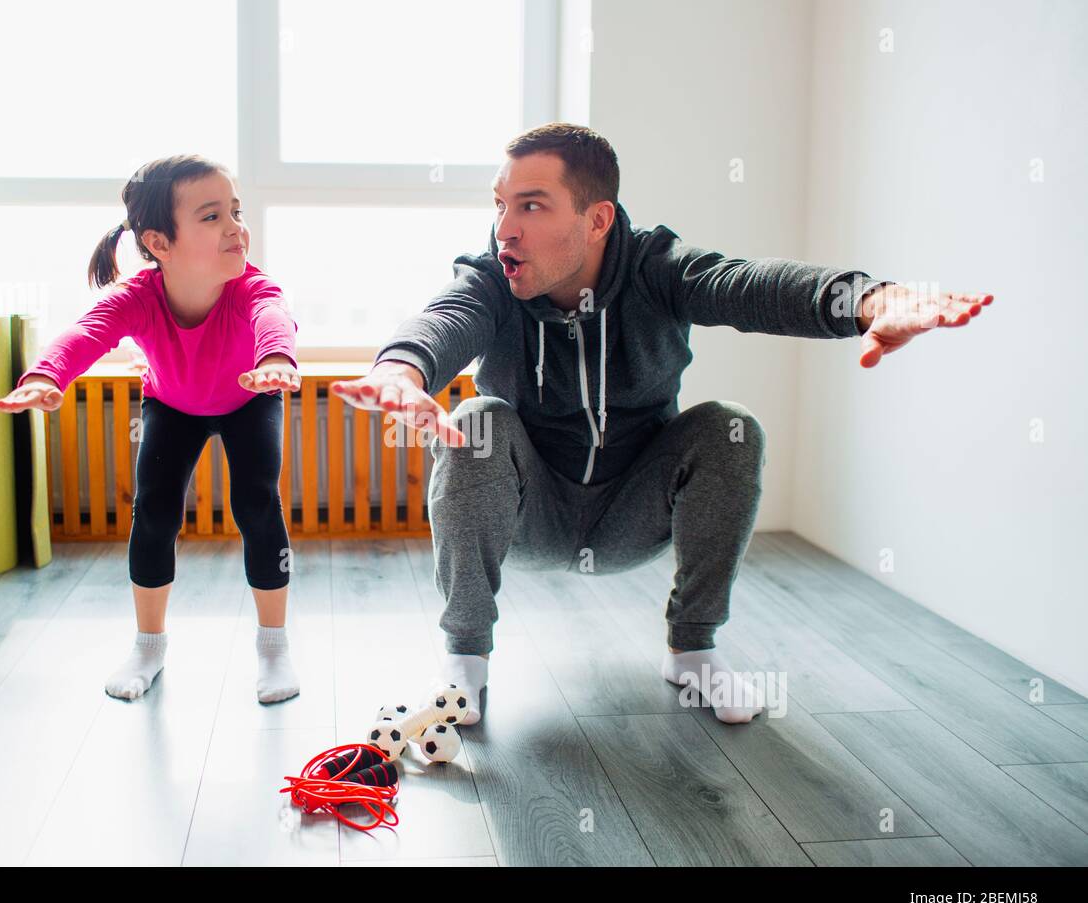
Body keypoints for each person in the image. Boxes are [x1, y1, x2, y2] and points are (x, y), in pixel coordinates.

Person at [332, 123, 992, 726]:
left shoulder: (657, 269)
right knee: (477, 419)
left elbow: (754, 286)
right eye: (500, 204)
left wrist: (873, 298)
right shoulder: (493, 278)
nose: (505, 227)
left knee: (730, 427)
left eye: (531, 205)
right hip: (531, 514)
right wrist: (401, 369)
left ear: (596, 220)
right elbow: (448, 316)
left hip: (632, 513)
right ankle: (465, 667)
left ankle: (693, 653)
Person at [0, 154, 303, 704]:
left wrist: (277, 359)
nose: (236, 227)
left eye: (236, 209)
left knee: (257, 506)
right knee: (154, 514)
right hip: (173, 405)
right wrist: (45, 375)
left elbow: (273, 319)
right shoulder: (136, 298)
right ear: (159, 243)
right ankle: (148, 646)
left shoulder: (253, 287)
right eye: (212, 217)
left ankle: (273, 647)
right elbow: (87, 332)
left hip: (250, 398)